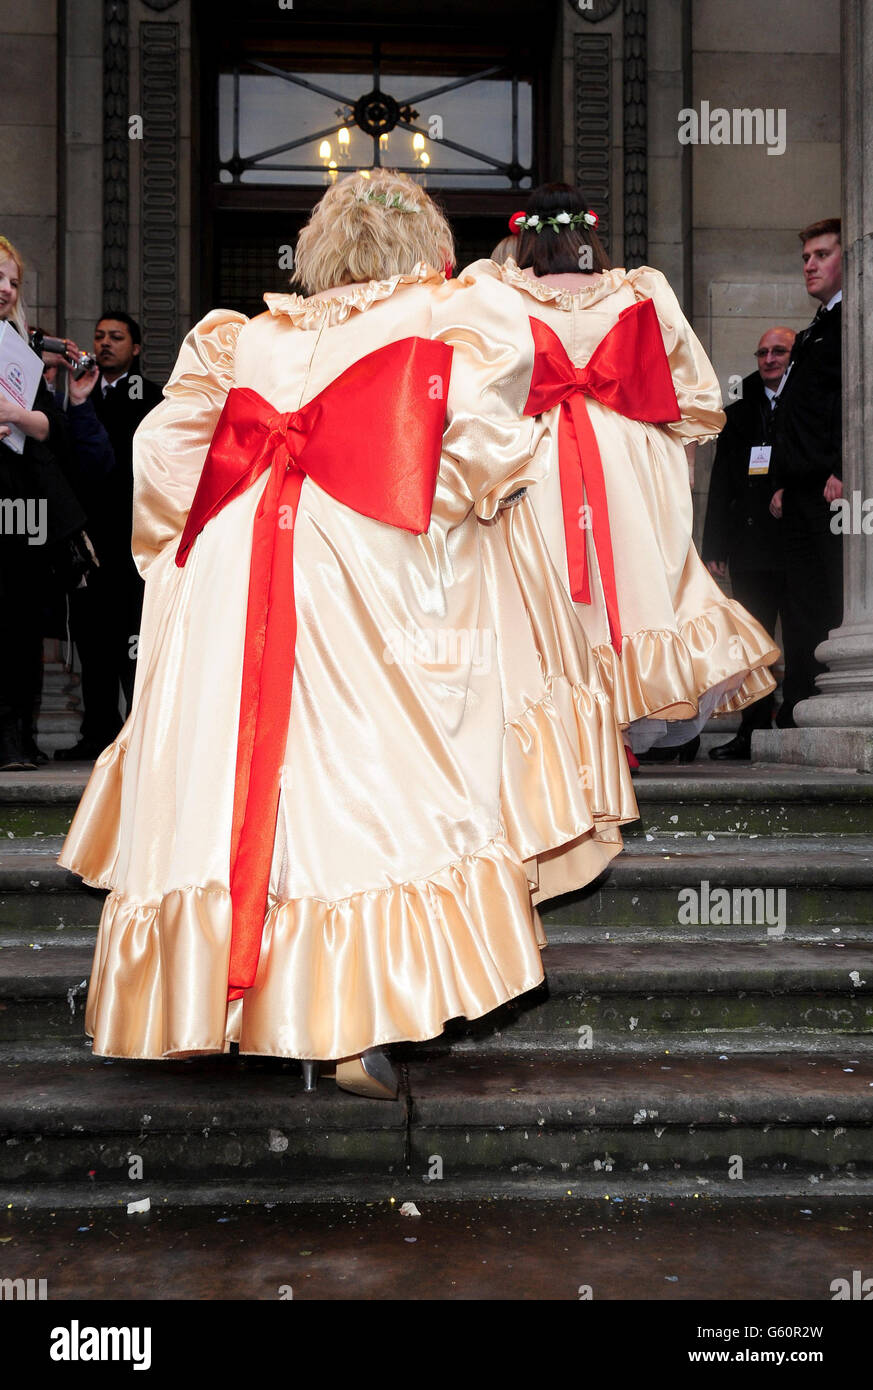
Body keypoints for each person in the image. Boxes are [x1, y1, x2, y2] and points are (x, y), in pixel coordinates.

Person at [58, 171, 637, 1097]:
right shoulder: (449, 315)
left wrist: (184, 546)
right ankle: (350, 1020)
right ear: (424, 243)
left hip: (239, 557)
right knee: (366, 772)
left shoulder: (243, 336)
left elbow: (160, 456)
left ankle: (206, 1000)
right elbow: (484, 452)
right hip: (366, 553)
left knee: (236, 768)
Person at [465, 184, 780, 764]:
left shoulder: (493, 291)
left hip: (535, 450)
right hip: (622, 457)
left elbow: (470, 388)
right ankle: (620, 721)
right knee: (629, 585)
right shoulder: (639, 291)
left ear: (525, 236)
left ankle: (561, 734)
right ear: (589, 236)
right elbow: (693, 397)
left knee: (547, 580)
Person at [54, 312, 163, 759]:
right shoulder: (73, 399)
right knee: (90, 635)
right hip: (88, 536)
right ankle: (97, 732)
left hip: (134, 538)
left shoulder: (155, 399)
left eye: (116, 337)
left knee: (135, 640)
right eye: (98, 337)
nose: (104, 344)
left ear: (135, 348)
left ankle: (142, 736)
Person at [0, 235, 87, 770]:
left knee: (19, 614)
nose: (6, 289)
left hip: (19, 493)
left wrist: (12, 415)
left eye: (13, 281)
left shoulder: (23, 347)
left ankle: (18, 734)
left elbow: (50, 425)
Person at [703, 327, 794, 758]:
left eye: (779, 351)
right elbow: (720, 483)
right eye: (763, 352)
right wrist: (714, 547)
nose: (769, 358)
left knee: (799, 632)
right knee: (753, 639)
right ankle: (752, 729)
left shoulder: (804, 399)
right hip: (750, 544)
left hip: (798, 542)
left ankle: (793, 720)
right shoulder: (740, 409)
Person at [768, 218, 843, 725]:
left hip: (827, 487)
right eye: (805, 257)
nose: (810, 265)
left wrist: (840, 467)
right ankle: (797, 697)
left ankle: (817, 696)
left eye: (821, 255)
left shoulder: (851, 321)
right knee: (798, 604)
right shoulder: (817, 325)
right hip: (796, 490)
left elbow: (851, 401)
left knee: (824, 596)